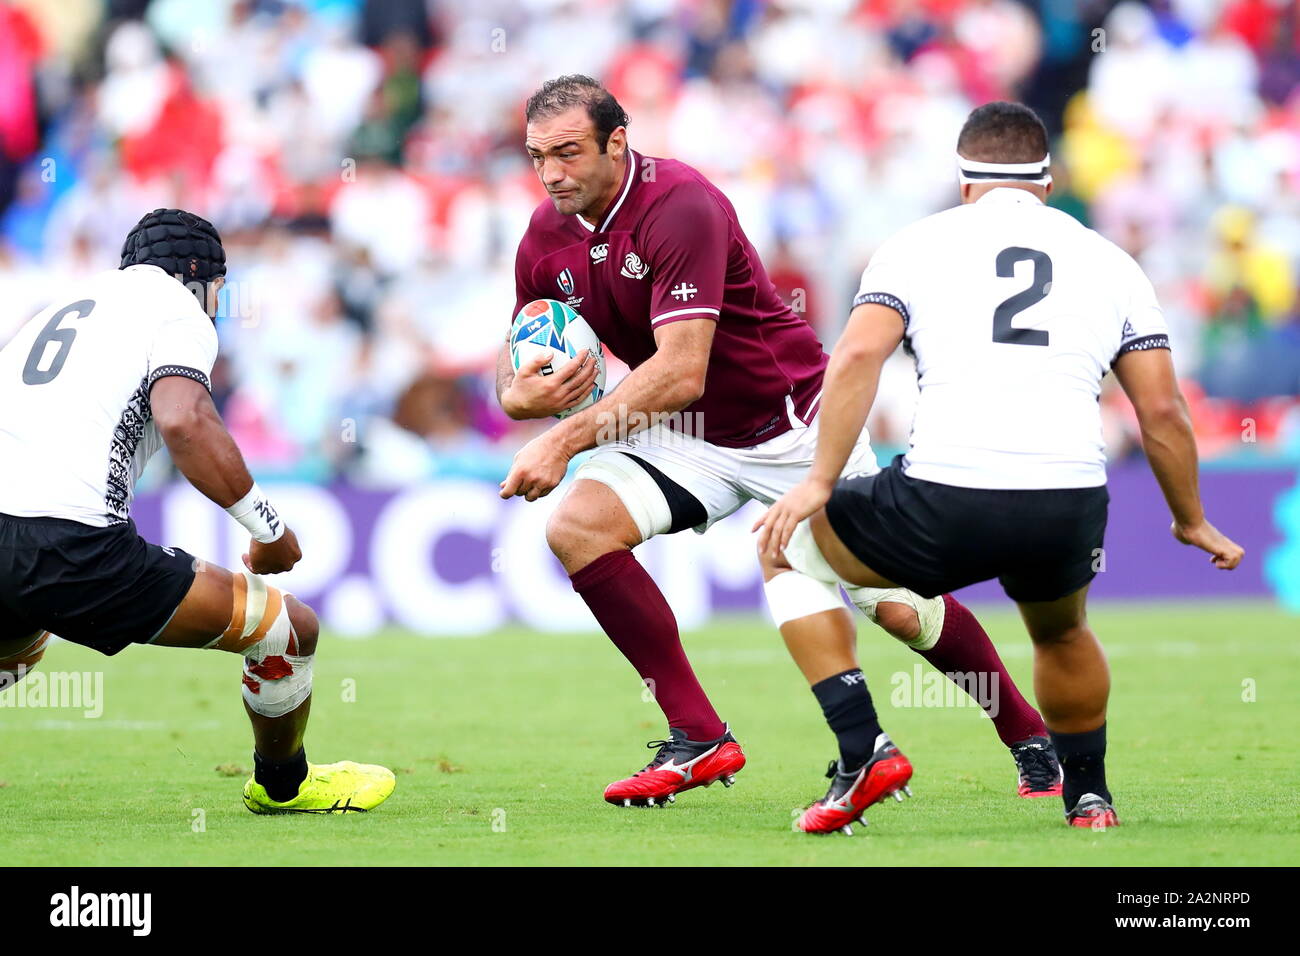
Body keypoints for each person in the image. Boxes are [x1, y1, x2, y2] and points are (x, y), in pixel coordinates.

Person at [498, 76, 1061, 817]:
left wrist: (562, 441)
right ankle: (696, 734)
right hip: (690, 435)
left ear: (616, 141)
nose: (552, 174)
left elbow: (681, 369)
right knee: (575, 527)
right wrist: (517, 396)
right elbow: (516, 361)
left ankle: (1028, 735)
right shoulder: (546, 235)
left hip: (792, 421)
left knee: (896, 608)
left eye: (568, 154)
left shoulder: (680, 205)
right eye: (538, 157)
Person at [757, 102, 1244, 829]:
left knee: (784, 547)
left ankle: (863, 750)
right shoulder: (1112, 261)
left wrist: (821, 482)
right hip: (1065, 499)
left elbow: (858, 354)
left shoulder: (915, 244)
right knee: (1061, 633)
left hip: (943, 498)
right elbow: (1164, 412)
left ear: (964, 183)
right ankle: (1089, 798)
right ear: (1048, 182)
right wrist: (1191, 518)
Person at [0, 208, 395, 814]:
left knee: (18, 643)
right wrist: (268, 529)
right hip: (71, 541)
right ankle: (283, 786)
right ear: (202, 280)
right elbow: (184, 418)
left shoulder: (62, 308)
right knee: (286, 628)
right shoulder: (176, 305)